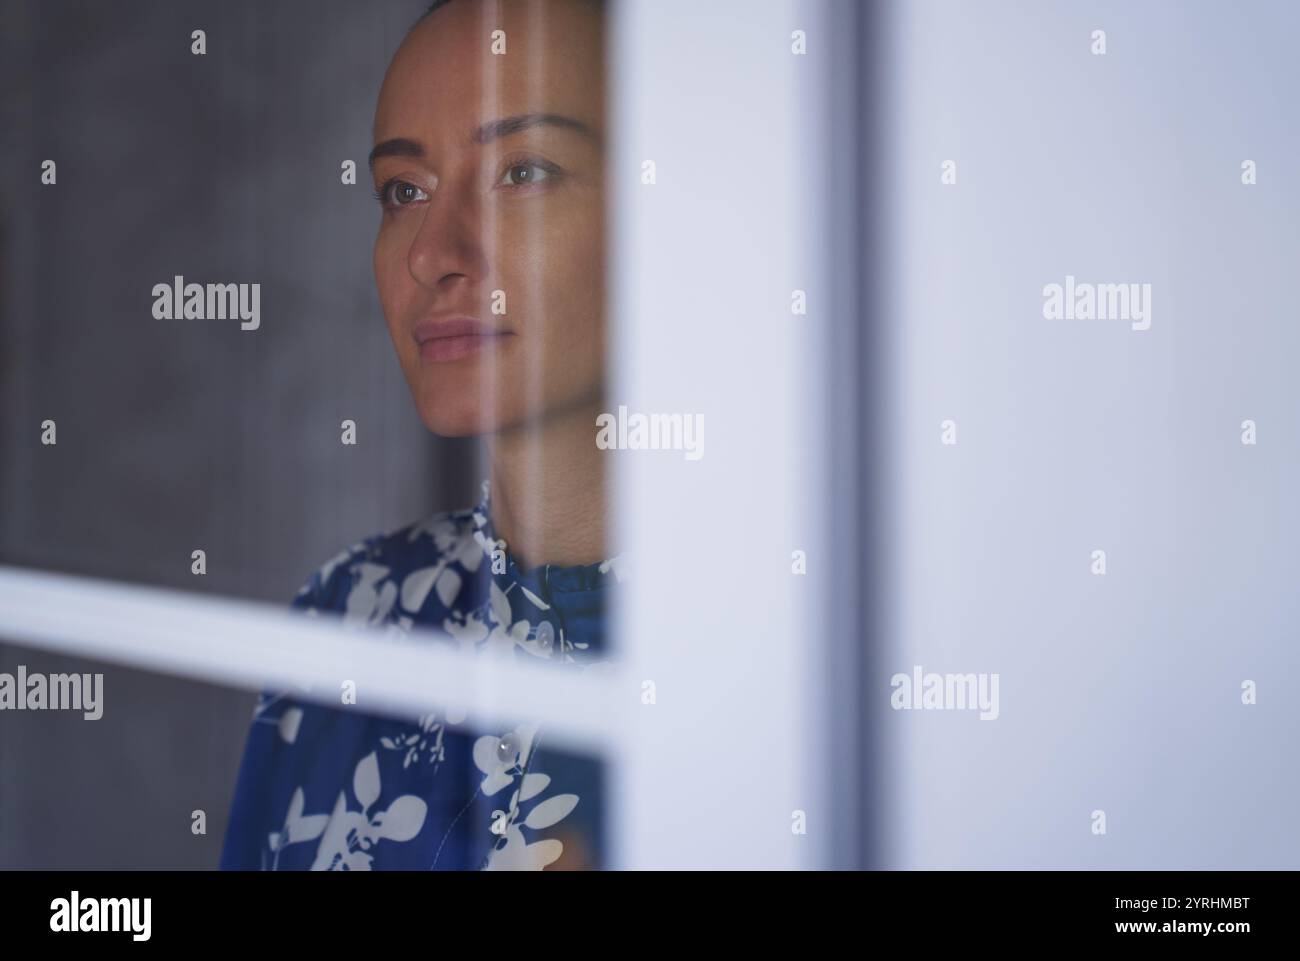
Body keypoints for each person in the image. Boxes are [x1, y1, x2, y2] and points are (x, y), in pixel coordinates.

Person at [219, 0, 617, 871]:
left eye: (524, 171)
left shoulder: (809, 641)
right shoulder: (349, 615)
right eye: (405, 190)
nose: (432, 252)